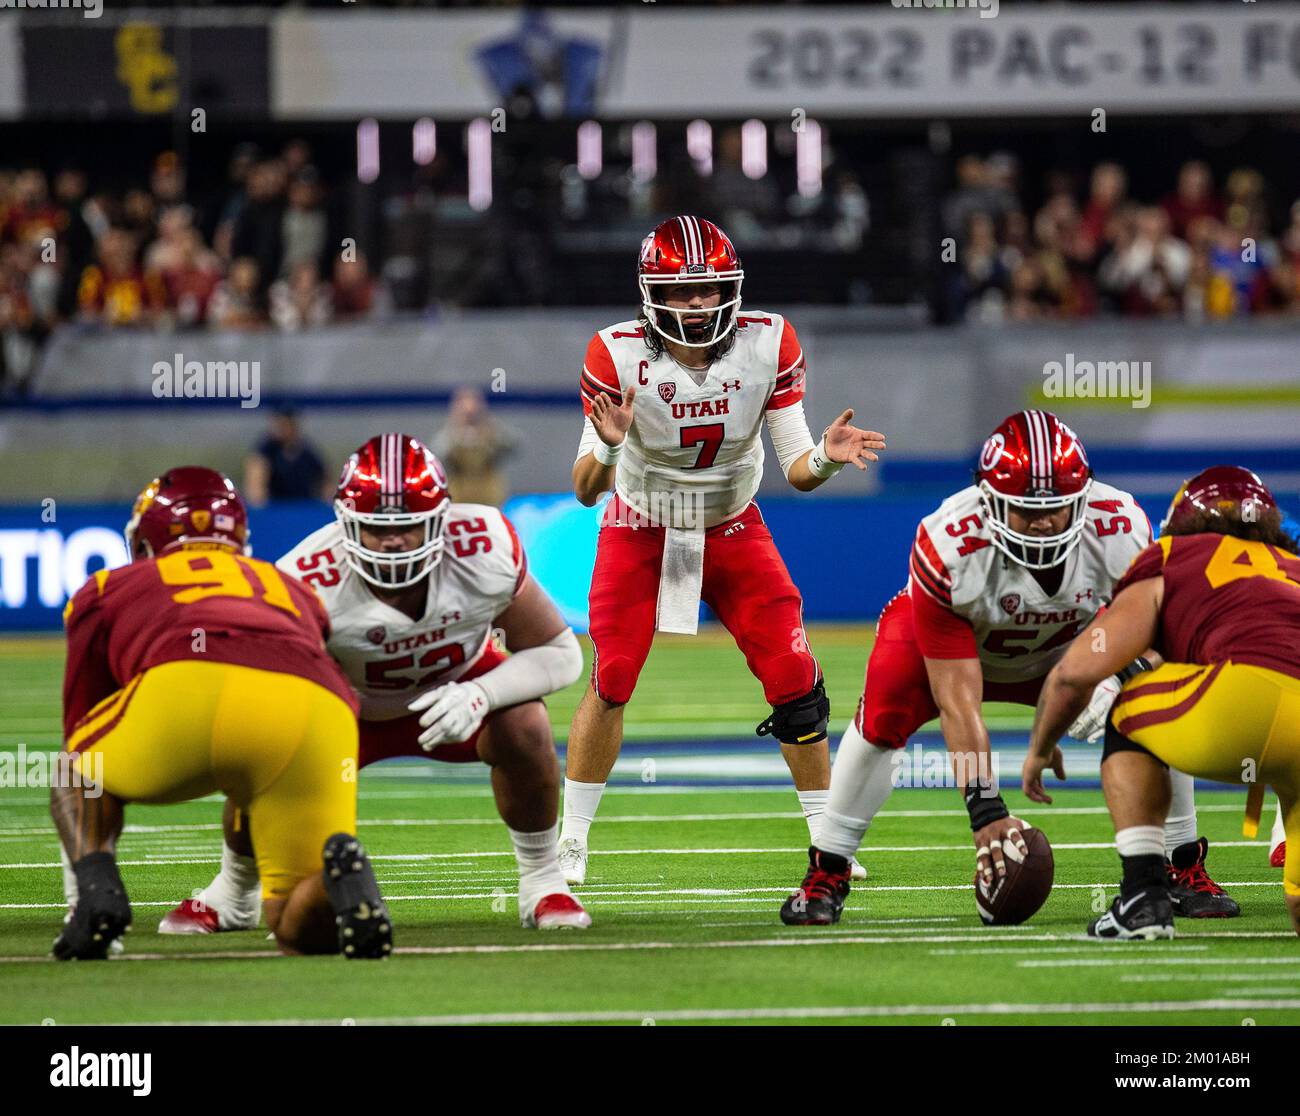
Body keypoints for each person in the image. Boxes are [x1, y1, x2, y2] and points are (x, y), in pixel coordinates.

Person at [779, 411, 1237, 925]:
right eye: (1025, 510)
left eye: (1056, 509)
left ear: (1084, 501)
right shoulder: (948, 541)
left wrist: (1126, 683)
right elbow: (958, 698)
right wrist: (986, 811)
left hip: (1067, 647)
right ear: (990, 502)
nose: (1042, 521)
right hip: (956, 647)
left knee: (1153, 698)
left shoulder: (1121, 528)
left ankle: (1180, 865)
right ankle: (829, 868)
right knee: (884, 711)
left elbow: (1154, 643)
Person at [558, 215, 886, 886]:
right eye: (683, 293)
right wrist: (613, 444)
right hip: (640, 522)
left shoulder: (768, 342)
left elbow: (796, 464)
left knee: (797, 685)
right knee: (612, 677)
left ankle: (828, 842)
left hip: (732, 522)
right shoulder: (615, 355)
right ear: (654, 297)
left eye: (710, 290)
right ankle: (570, 840)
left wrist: (825, 457)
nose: (700, 304)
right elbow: (586, 491)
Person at [157, 434, 590, 933]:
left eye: (407, 527)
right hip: (348, 707)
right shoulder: (304, 579)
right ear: (344, 524)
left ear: (440, 520)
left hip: (458, 688)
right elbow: (269, 692)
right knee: (264, 744)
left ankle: (543, 881)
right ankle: (234, 891)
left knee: (526, 722)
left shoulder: (483, 546)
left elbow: (559, 653)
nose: (392, 542)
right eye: (376, 529)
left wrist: (481, 693)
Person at [54, 467, 390, 960]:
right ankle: (333, 886)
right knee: (294, 927)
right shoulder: (291, 586)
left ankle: (94, 898)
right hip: (319, 709)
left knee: (75, 770)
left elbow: (81, 727)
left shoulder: (108, 586)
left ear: (147, 540)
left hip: (192, 681)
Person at [1024, 466, 1300, 939]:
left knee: (1126, 706)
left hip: (1240, 707)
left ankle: (1143, 896)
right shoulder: (1291, 563)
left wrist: (1040, 748)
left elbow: (1075, 674)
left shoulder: (1173, 554)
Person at [432, 386, 519, 507]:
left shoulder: (493, 432)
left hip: (489, 498)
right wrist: (456, 436)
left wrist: (491, 433)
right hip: (459, 499)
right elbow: (438, 457)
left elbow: (513, 446)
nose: (469, 414)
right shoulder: (448, 435)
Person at [244, 407, 329, 505]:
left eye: (290, 424)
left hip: (303, 507)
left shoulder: (307, 453)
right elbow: (255, 488)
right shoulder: (266, 452)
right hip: (274, 509)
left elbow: (325, 481)